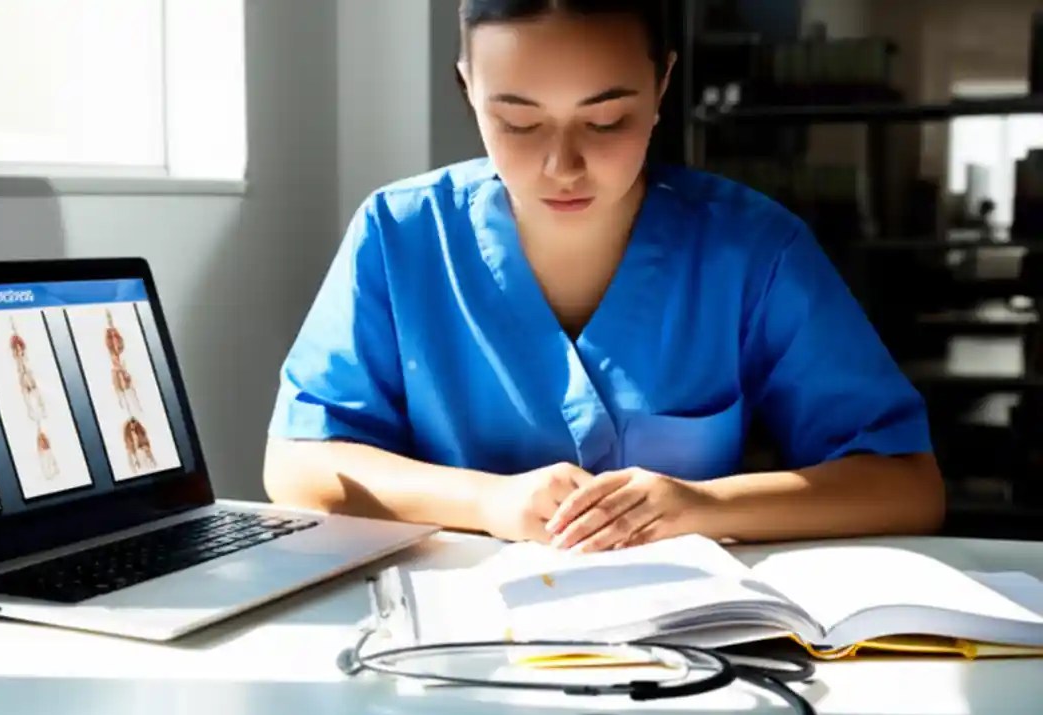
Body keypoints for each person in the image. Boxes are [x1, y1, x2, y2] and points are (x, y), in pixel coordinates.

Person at [263, 0, 945, 553]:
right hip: (453, 634)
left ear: (663, 87)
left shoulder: (752, 250)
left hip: (688, 641)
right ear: (469, 87)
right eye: (518, 121)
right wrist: (488, 501)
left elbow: (907, 486)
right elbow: (298, 466)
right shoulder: (400, 236)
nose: (563, 164)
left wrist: (701, 506)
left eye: (606, 119)